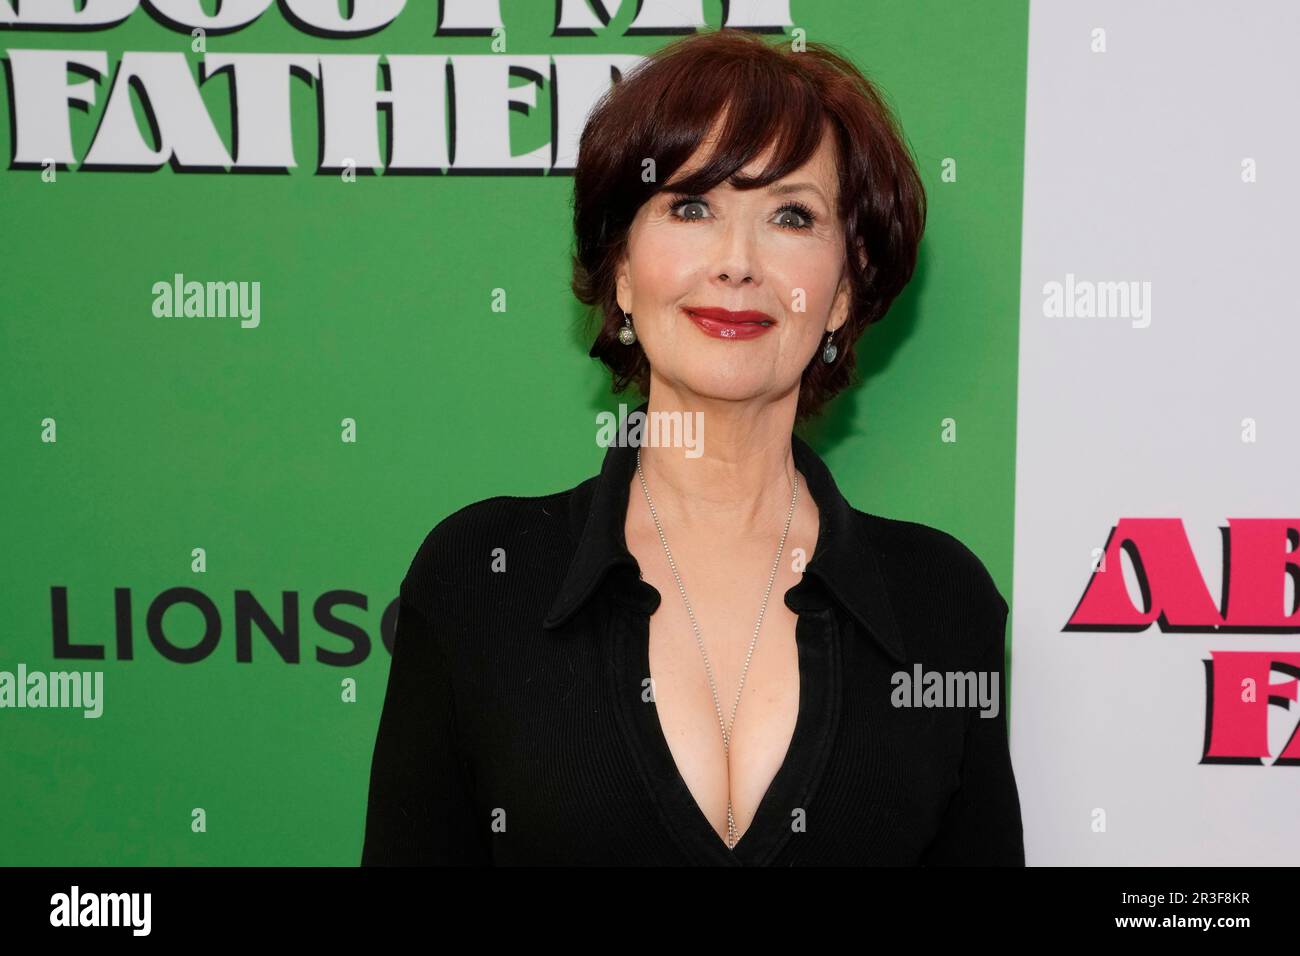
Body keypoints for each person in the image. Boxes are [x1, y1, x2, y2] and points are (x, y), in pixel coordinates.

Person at [362, 28, 1023, 866]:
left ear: (843, 292)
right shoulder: (481, 576)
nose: (737, 263)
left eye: (791, 215)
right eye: (691, 205)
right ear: (624, 272)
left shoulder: (940, 601)